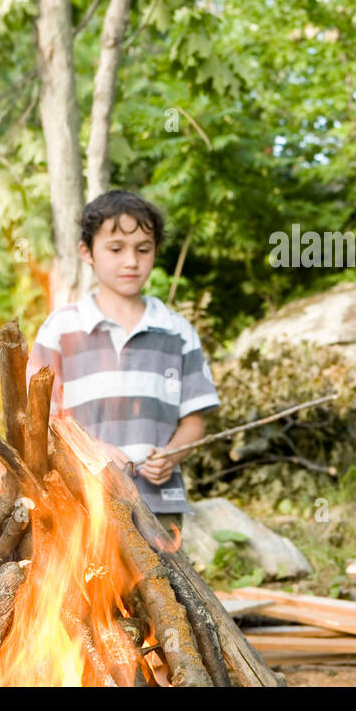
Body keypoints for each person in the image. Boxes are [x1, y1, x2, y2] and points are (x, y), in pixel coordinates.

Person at [27, 190, 220, 538]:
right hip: (81, 503)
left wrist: (172, 455)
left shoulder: (177, 332)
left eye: (143, 249)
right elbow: (41, 421)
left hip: (159, 507)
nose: (131, 261)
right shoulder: (60, 329)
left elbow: (194, 421)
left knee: (166, 591)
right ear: (87, 252)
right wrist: (93, 452)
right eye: (115, 249)